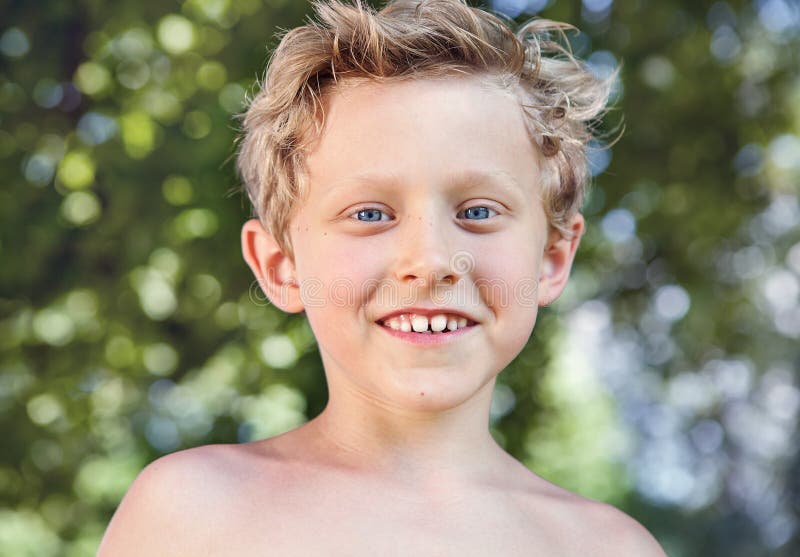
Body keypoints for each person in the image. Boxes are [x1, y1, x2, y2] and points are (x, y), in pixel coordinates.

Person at [97, 0, 668, 555]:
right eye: (370, 214)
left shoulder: (609, 548)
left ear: (551, 259)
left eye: (477, 212)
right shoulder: (190, 514)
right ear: (281, 266)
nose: (432, 259)